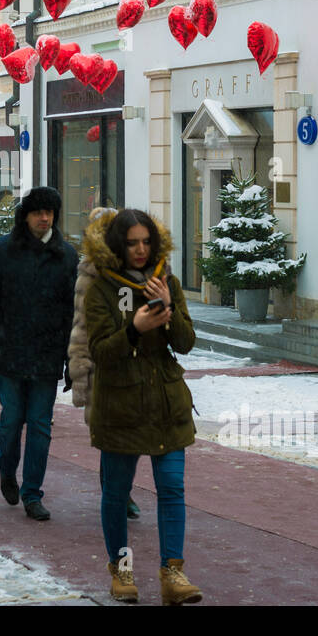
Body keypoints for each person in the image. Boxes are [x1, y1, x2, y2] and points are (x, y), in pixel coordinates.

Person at [84, 208, 200, 605]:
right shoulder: (100, 289)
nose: (140, 249)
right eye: (132, 242)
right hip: (120, 405)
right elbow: (99, 352)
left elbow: (186, 342)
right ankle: (122, 570)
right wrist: (134, 329)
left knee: (172, 488)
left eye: (146, 241)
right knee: (116, 492)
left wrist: (168, 308)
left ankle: (174, 573)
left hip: (166, 403)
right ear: (119, 244)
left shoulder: (166, 280)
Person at [0, 186, 79, 522]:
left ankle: (32, 492)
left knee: (40, 425)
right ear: (26, 215)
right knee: (12, 419)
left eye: (49, 212)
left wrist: (73, 359)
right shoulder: (3, 250)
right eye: (37, 212)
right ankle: (6, 467)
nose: (44, 218)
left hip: (48, 354)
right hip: (11, 352)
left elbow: (74, 313)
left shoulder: (66, 255)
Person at [68, 207, 141, 523]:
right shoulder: (90, 275)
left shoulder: (139, 269)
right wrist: (79, 369)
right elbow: (81, 326)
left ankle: (120, 489)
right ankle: (117, 492)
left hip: (136, 366)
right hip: (103, 366)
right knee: (111, 435)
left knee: (133, 434)